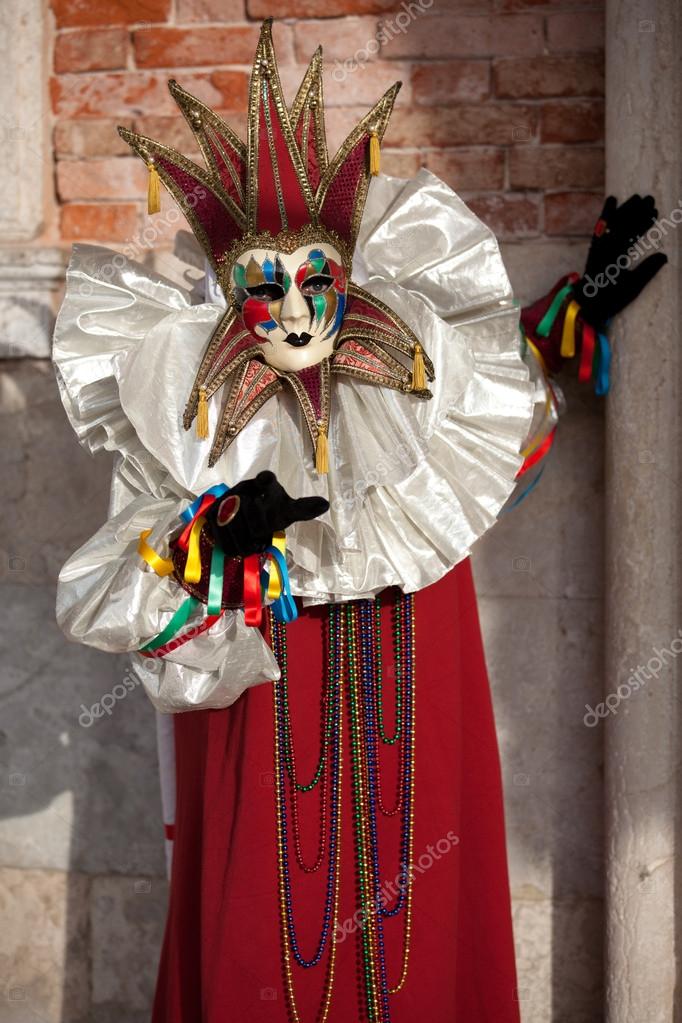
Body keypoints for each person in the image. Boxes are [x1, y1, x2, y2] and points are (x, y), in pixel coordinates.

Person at [52, 20, 666, 1023]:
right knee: (264, 925)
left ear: (347, 276)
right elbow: (119, 585)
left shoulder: (410, 382)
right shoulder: (181, 410)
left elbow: (490, 416)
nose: (293, 308)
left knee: (418, 909)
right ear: (229, 294)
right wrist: (208, 548)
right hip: (265, 681)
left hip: (413, 659)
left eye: (314, 279)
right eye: (263, 286)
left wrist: (569, 318)